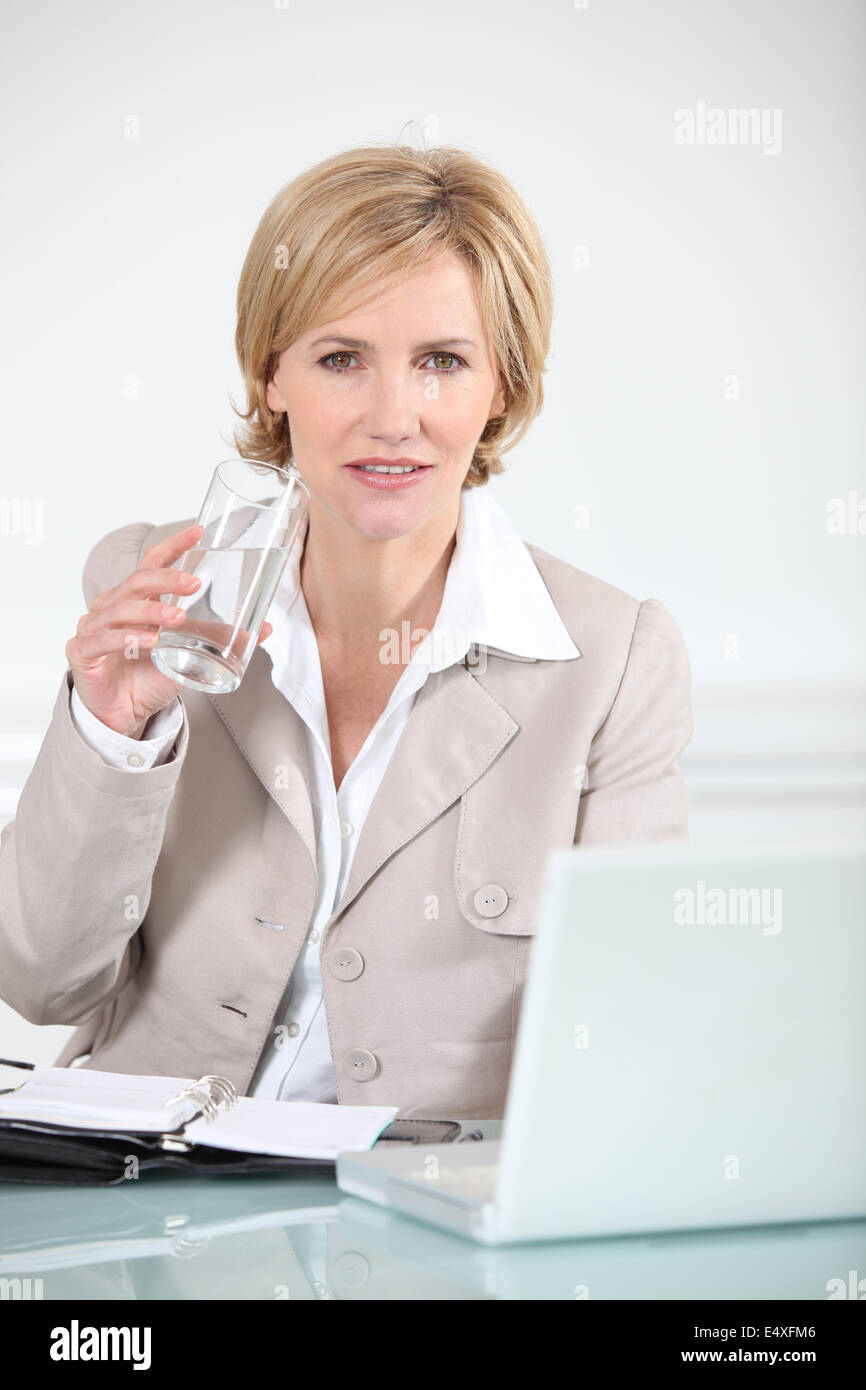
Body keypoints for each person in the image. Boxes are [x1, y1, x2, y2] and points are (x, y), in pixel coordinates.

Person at [0, 143, 693, 1120]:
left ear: (499, 386)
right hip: (140, 1192)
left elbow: (632, 1033)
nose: (391, 417)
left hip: (428, 1219)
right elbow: (39, 979)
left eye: (441, 362)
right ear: (271, 374)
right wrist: (114, 734)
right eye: (340, 359)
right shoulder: (157, 589)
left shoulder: (613, 660)